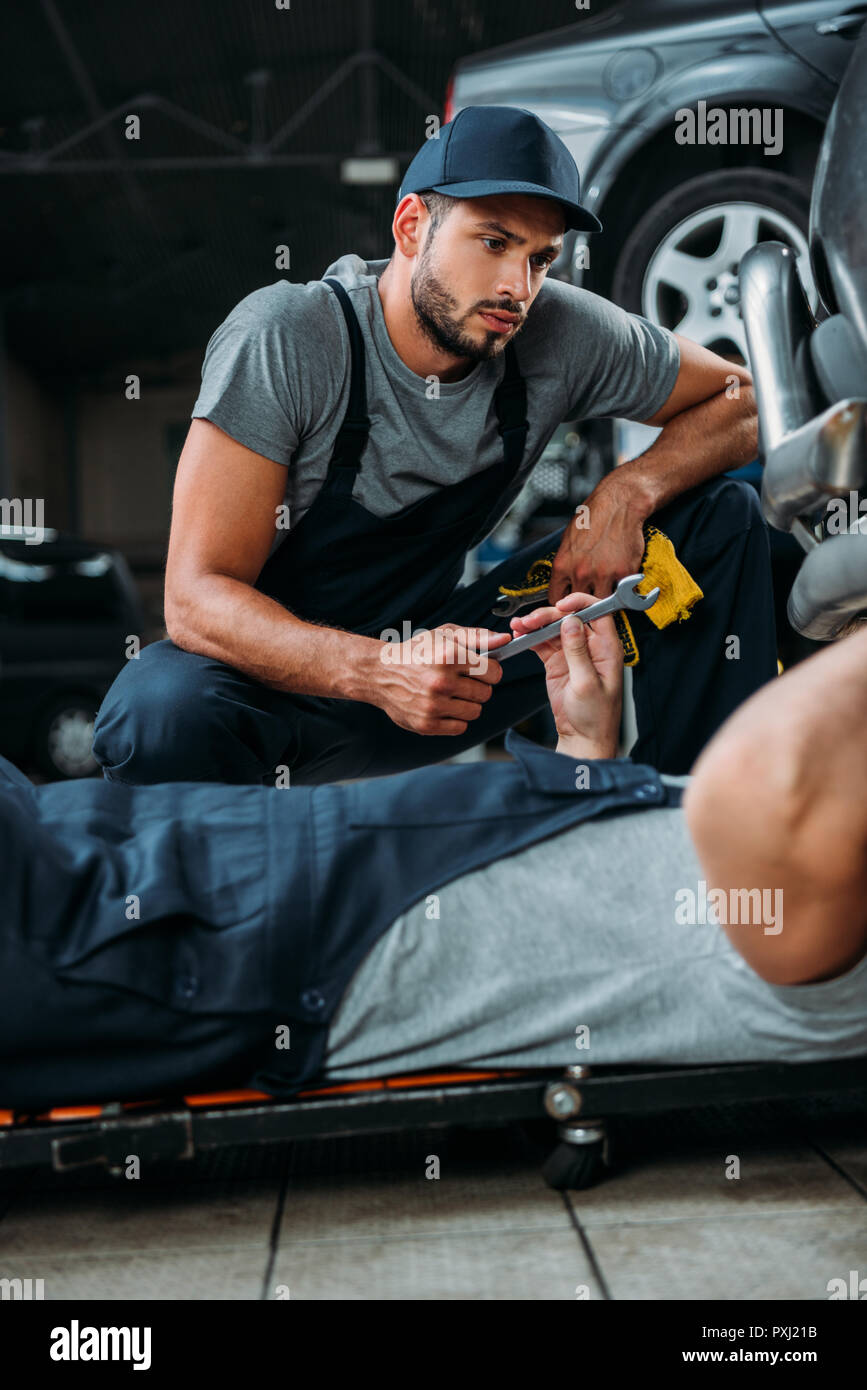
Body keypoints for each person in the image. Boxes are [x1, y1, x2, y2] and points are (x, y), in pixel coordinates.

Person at [91, 105, 774, 787]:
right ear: (411, 226)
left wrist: (625, 494)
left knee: (716, 519)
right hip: (264, 694)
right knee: (158, 711)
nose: (518, 287)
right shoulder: (289, 335)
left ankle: (695, 826)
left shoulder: (559, 333)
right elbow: (193, 597)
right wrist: (379, 670)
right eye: (493, 242)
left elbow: (743, 400)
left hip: (451, 680)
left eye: (540, 259)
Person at [3, 597, 865, 1112]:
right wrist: (587, 766)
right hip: (159, 866)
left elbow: (765, 784)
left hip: (163, 935)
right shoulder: (765, 891)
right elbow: (597, 929)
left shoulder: (809, 957)